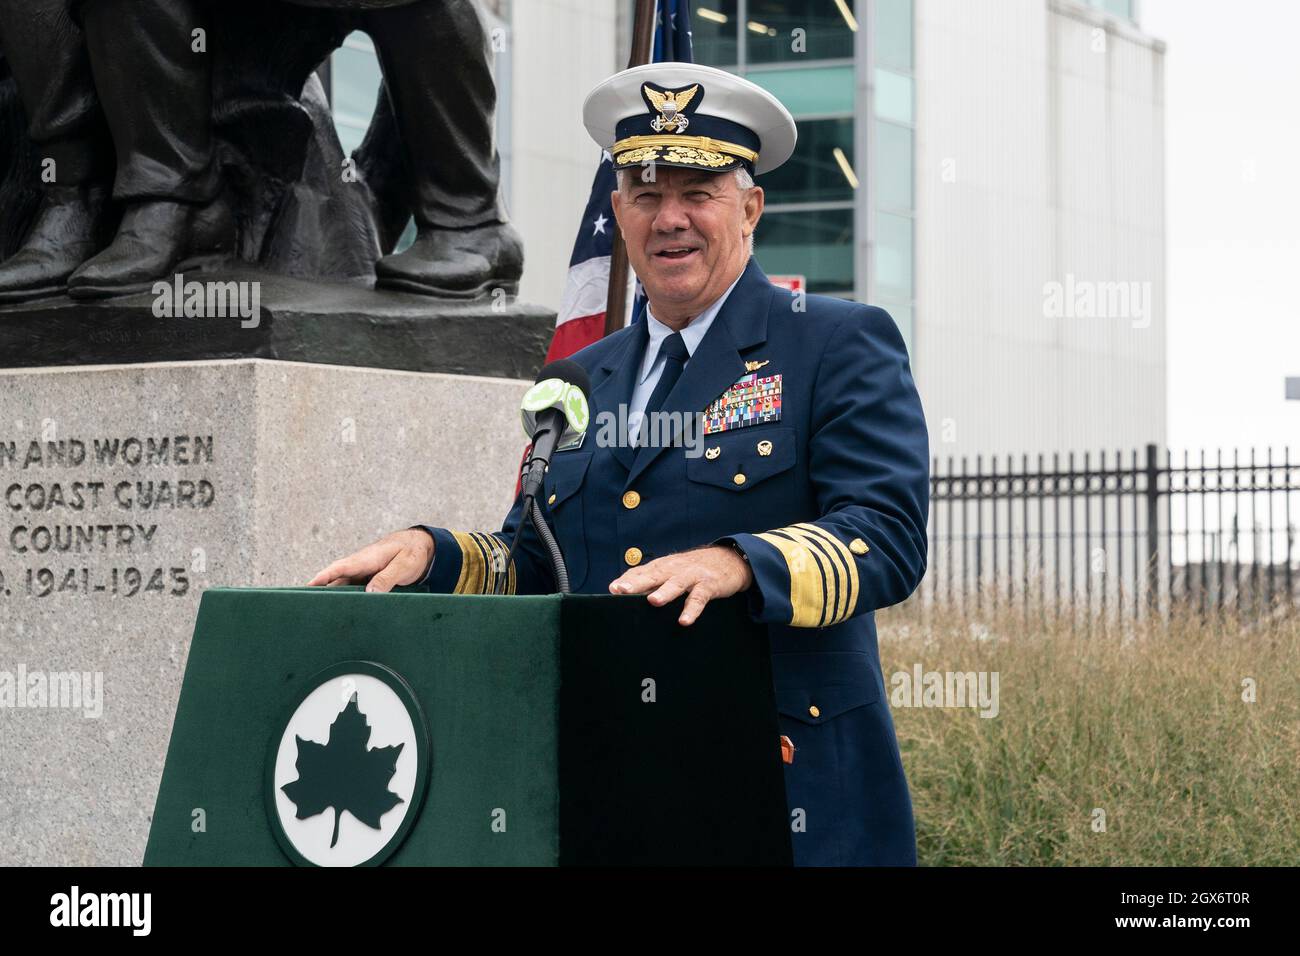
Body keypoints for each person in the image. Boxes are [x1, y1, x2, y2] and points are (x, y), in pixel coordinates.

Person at [309, 62, 931, 866]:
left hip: (785, 796)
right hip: (611, 792)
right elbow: (538, 560)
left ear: (750, 209)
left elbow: (886, 536)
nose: (669, 217)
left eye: (696, 192)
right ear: (618, 212)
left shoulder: (835, 344)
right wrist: (435, 553)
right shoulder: (576, 377)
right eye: (645, 193)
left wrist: (738, 563)